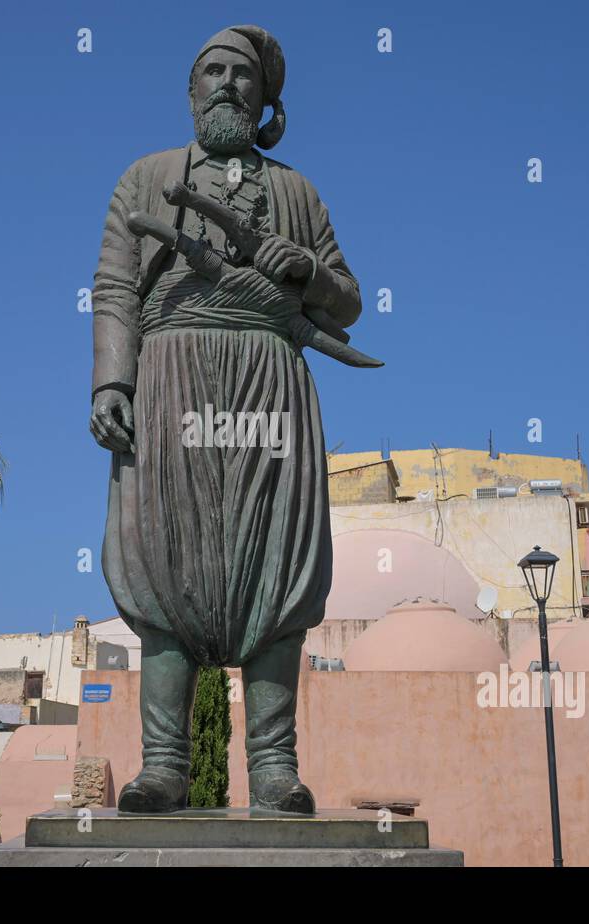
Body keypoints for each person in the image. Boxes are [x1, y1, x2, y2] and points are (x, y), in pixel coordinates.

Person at [90, 25, 369, 813]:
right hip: (168, 378)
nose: (226, 84)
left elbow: (347, 302)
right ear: (189, 91)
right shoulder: (145, 180)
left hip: (269, 379)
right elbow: (115, 287)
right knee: (162, 559)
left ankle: (275, 767)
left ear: (265, 98)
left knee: (278, 565)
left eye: (242, 75)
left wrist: (308, 270)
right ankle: (164, 765)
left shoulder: (298, 193)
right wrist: (111, 383)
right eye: (211, 71)